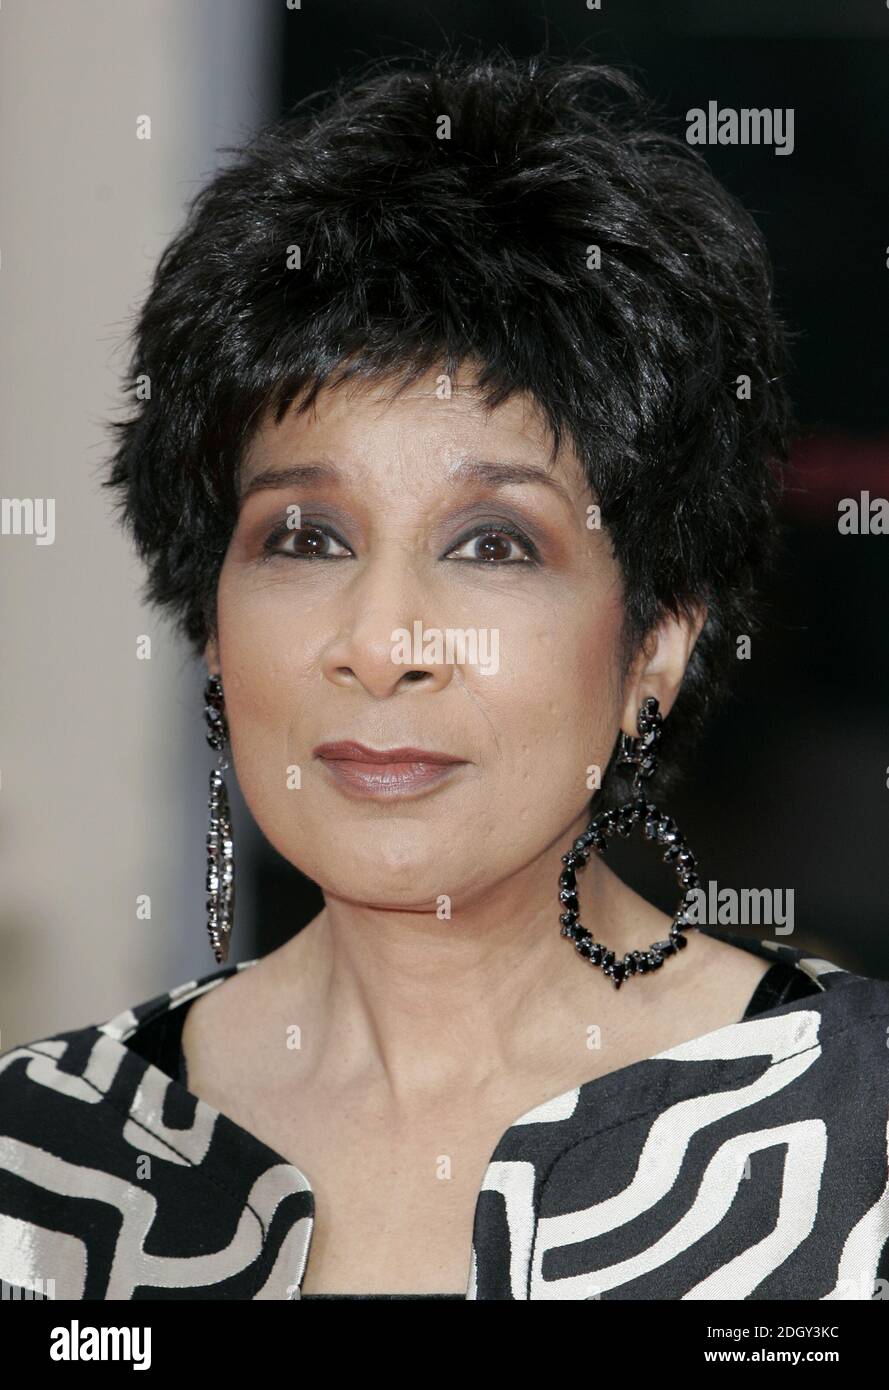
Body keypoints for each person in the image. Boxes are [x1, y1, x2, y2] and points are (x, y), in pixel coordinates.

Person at [2, 49, 888, 1302]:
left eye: (494, 544)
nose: (383, 641)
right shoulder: (36, 1155)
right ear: (211, 616)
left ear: (656, 641)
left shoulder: (864, 1143)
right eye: (304, 539)